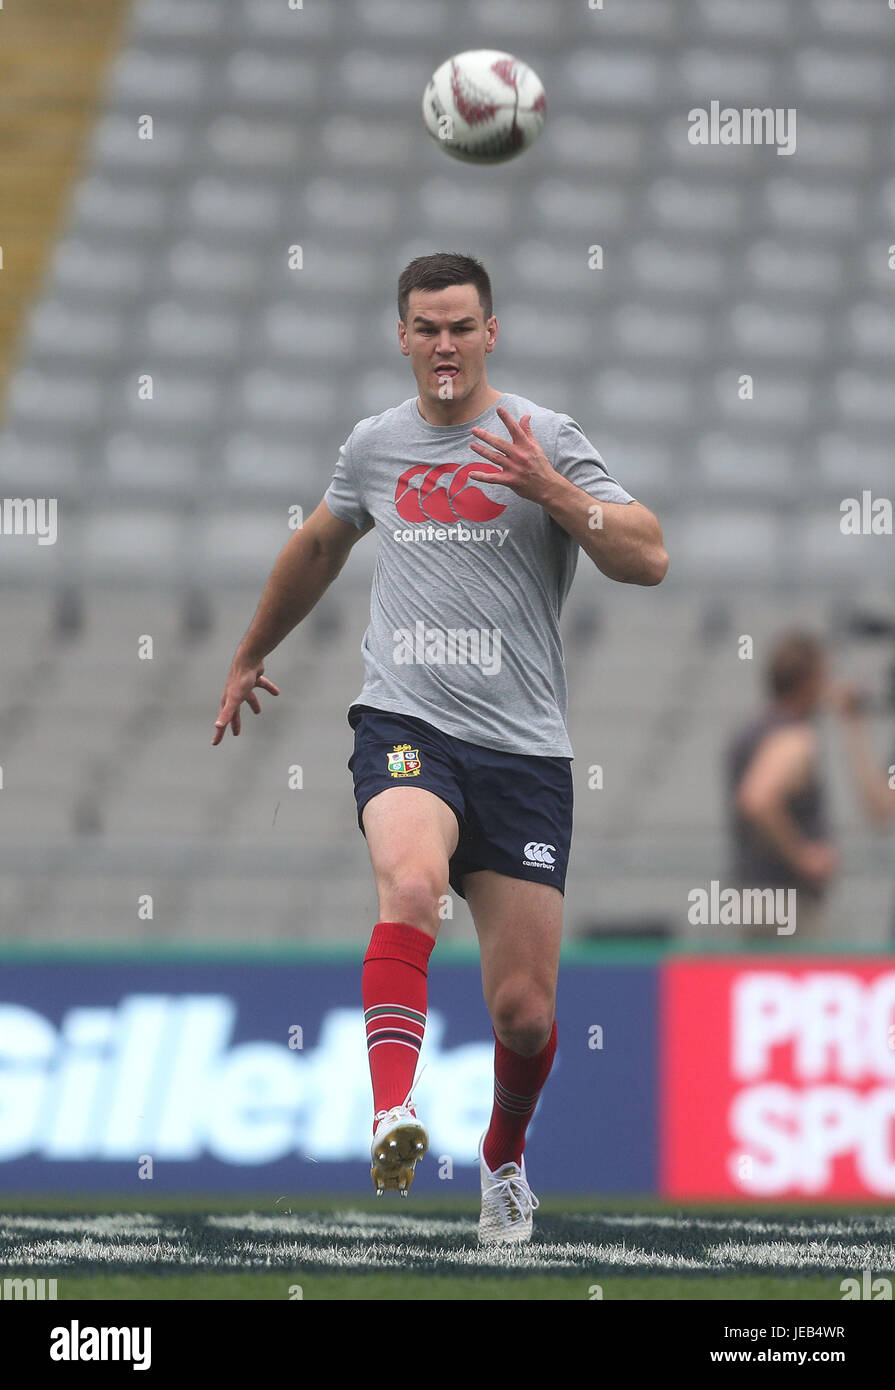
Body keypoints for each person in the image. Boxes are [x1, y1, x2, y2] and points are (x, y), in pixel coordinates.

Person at [212, 252, 668, 1244]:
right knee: (411, 885)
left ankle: (502, 1159)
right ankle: (393, 1111)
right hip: (406, 723)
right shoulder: (375, 445)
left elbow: (647, 556)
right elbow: (319, 545)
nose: (445, 344)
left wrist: (552, 489)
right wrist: (249, 652)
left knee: (524, 1015)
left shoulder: (542, 436)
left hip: (523, 753)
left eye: (462, 326)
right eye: (427, 328)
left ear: (490, 333)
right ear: (403, 338)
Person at [728, 633, 838, 939]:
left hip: (751, 893)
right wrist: (803, 857)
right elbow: (757, 799)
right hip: (787, 900)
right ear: (808, 682)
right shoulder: (795, 736)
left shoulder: (750, 730)